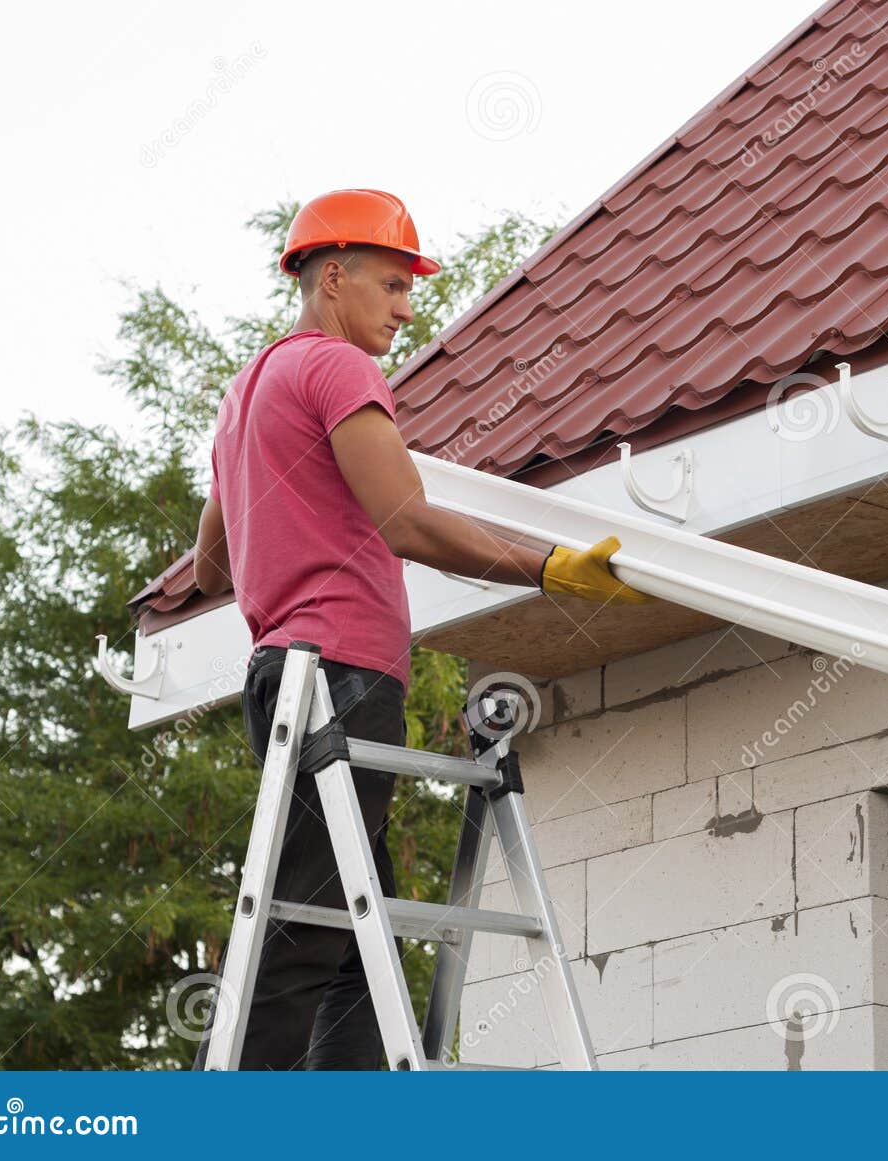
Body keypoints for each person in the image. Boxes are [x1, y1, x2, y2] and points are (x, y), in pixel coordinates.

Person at [188, 188, 649, 1070]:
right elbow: (407, 522)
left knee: (357, 952)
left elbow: (211, 568)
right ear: (333, 277)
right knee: (301, 934)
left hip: (282, 681)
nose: (407, 308)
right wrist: (548, 566)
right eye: (393, 284)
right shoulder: (336, 369)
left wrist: (275, 517)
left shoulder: (246, 394)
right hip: (339, 678)